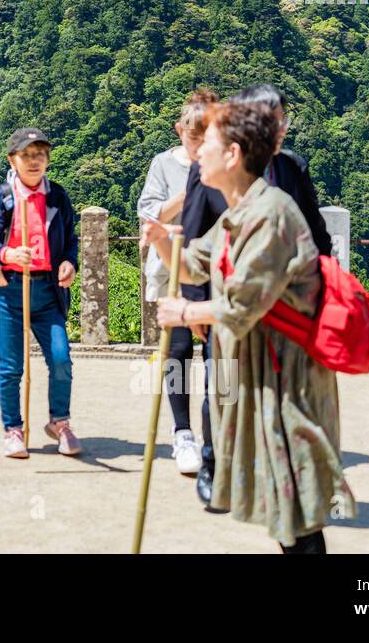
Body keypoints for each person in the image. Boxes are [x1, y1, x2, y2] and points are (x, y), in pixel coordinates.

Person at [143, 100, 355, 553]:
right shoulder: (240, 212)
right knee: (282, 504)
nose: (198, 151)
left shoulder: (272, 215)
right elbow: (196, 265)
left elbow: (243, 305)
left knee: (296, 507)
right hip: (260, 375)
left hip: (289, 378)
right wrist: (163, 244)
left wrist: (185, 314)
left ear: (233, 155)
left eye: (210, 143)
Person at [171, 83, 332, 508]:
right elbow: (195, 246)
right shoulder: (233, 197)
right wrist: (170, 257)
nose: (277, 127)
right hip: (233, 326)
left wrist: (187, 311)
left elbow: (315, 238)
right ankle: (215, 466)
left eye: (279, 119)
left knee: (292, 498)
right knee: (221, 397)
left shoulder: (276, 197)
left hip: (279, 341)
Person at [0, 127, 81, 459]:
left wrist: (69, 263)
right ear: (13, 160)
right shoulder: (3, 197)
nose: (34, 161)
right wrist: (8, 255)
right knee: (11, 367)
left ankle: (59, 423)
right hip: (10, 291)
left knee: (61, 359)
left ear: (48, 159)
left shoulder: (57, 197)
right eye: (26, 155)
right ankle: (13, 429)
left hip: (47, 292)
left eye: (40, 155)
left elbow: (70, 242)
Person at [137, 90, 215, 476]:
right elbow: (148, 213)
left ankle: (215, 437)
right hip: (171, 270)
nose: (199, 144)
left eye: (207, 136)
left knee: (219, 358)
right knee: (178, 350)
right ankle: (183, 432)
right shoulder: (163, 164)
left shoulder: (223, 164)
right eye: (192, 136)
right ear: (179, 130)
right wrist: (188, 194)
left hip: (212, 269)